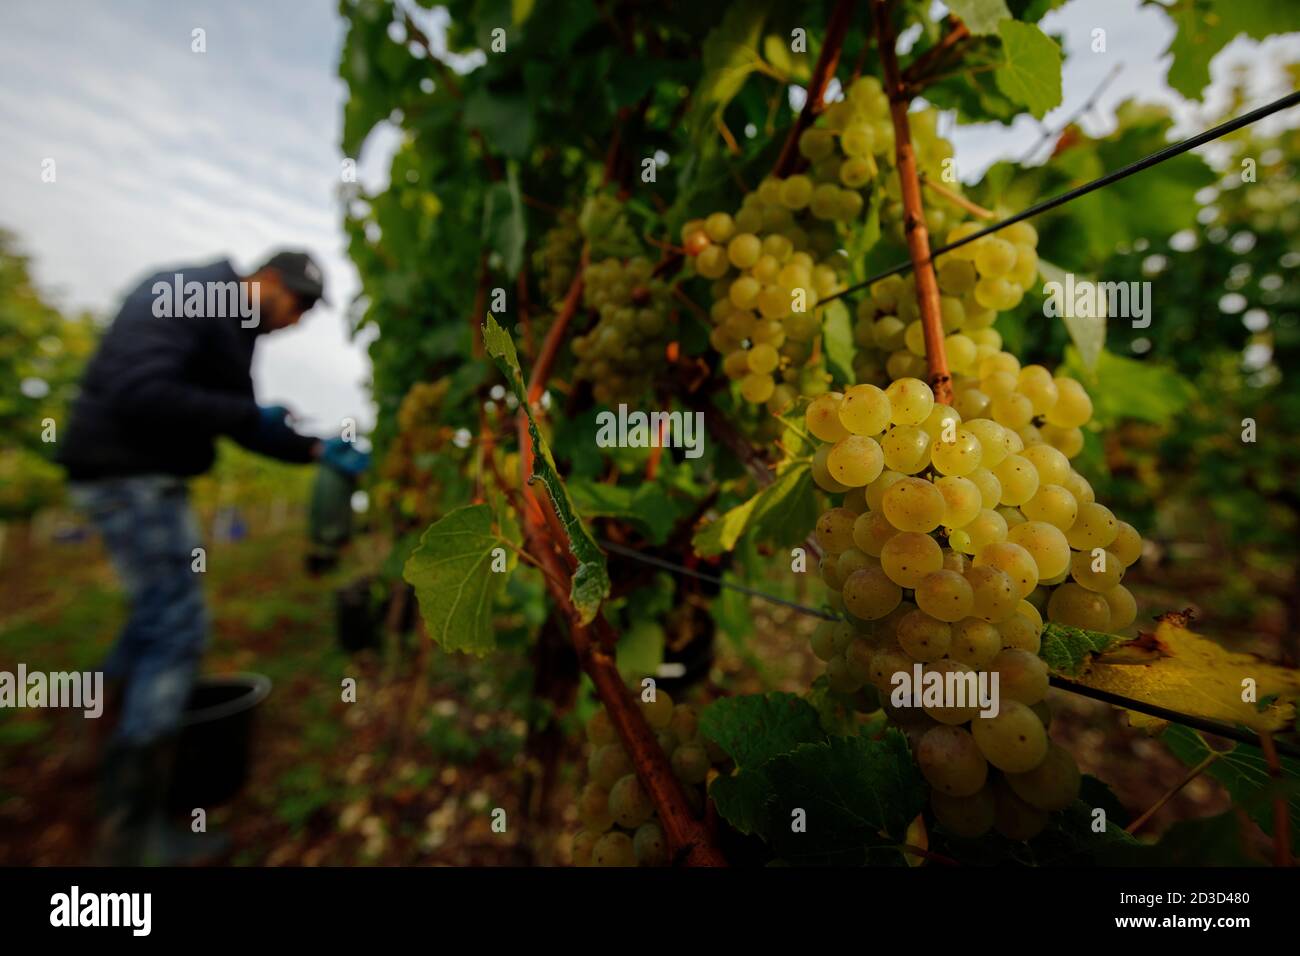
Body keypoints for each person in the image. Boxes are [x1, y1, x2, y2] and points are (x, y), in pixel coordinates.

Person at [58, 250, 369, 865]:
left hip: (136, 472)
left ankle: (91, 739)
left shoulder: (229, 323)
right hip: (130, 473)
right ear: (268, 282)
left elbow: (237, 422)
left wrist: (311, 447)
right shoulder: (191, 293)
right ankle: (129, 832)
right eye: (299, 305)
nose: (299, 320)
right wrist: (248, 414)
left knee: (153, 619)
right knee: (176, 629)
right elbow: (141, 391)